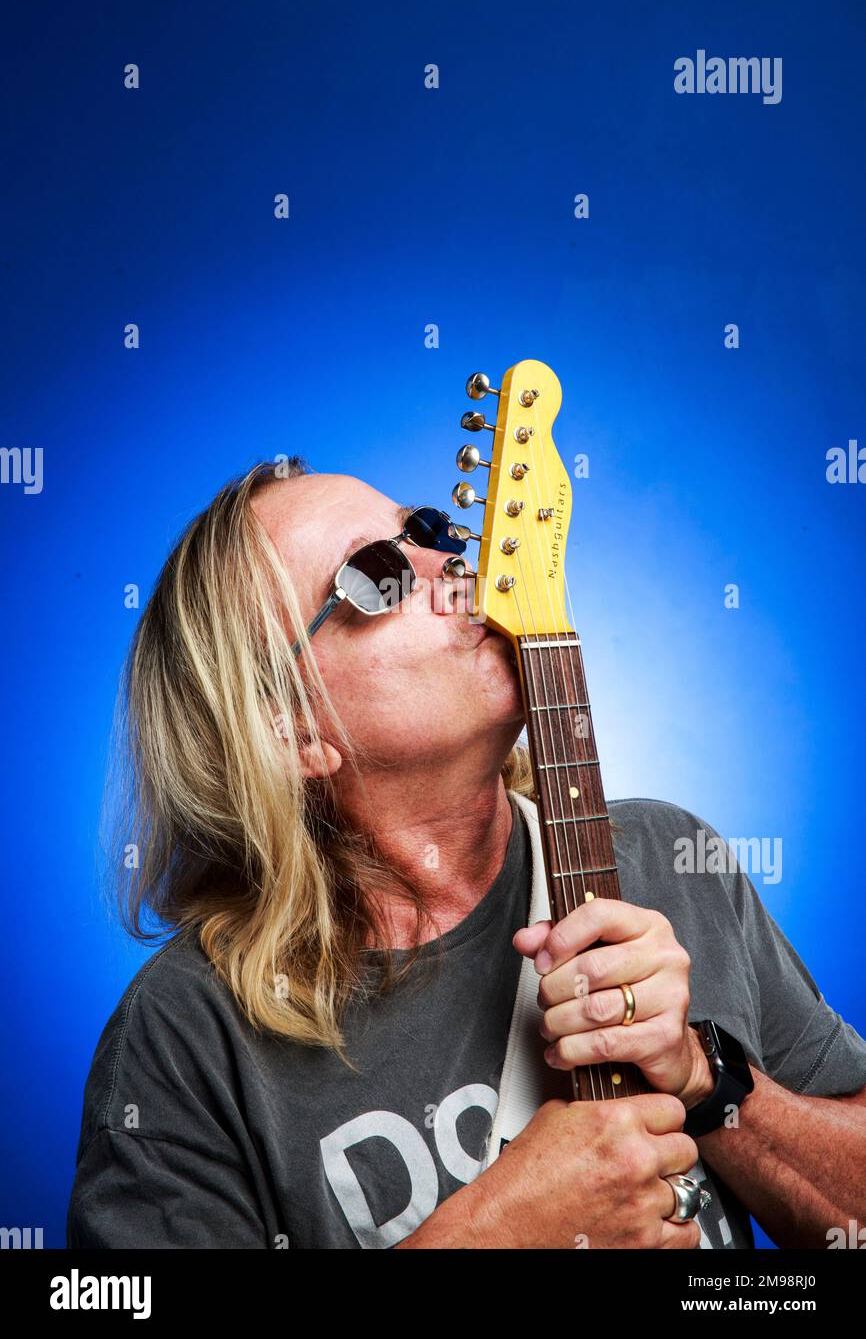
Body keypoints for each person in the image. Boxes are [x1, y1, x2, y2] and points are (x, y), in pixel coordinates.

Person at [67, 458, 866, 1249]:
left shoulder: (670, 857)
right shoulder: (185, 1032)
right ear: (293, 730)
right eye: (376, 571)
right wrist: (494, 1237)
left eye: (427, 528)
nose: (450, 562)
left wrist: (702, 1077)